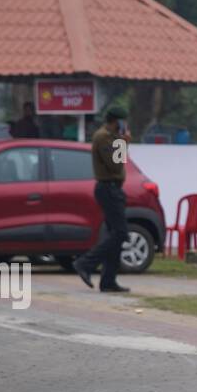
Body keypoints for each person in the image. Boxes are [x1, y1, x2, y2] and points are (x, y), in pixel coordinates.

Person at [73, 106, 133, 293]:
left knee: (114, 234)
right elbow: (115, 166)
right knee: (121, 233)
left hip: (114, 189)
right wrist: (124, 143)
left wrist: (122, 142)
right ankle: (85, 263)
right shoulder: (104, 137)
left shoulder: (112, 137)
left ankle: (108, 280)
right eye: (123, 122)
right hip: (108, 189)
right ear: (117, 121)